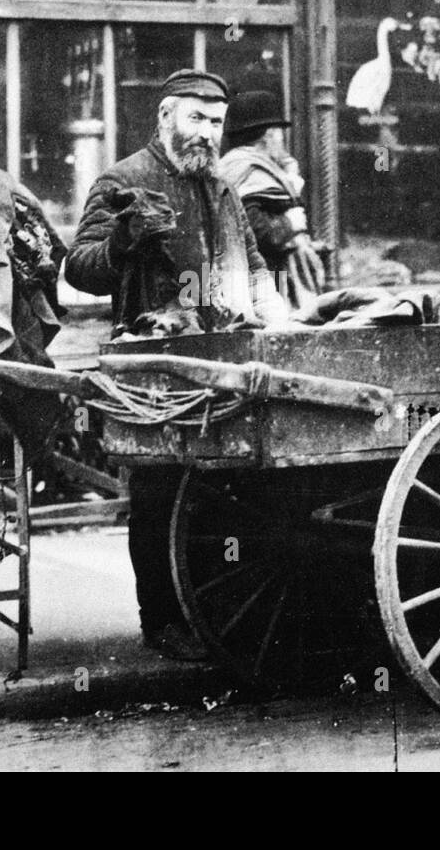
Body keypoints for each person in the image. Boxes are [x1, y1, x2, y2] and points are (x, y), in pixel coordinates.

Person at [65, 68, 289, 661]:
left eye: (216, 123)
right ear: (165, 117)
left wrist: (275, 314)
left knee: (219, 491)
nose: (208, 133)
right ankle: (159, 620)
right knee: (158, 492)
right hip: (154, 360)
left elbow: (256, 264)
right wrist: (123, 242)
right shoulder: (124, 180)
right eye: (197, 119)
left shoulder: (219, 187)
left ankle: (212, 611)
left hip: (222, 353)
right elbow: (78, 269)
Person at [217, 88, 326, 310]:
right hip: (268, 282)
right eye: (279, 132)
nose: (282, 140)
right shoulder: (248, 169)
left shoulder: (240, 165)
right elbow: (253, 232)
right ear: (268, 135)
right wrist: (290, 223)